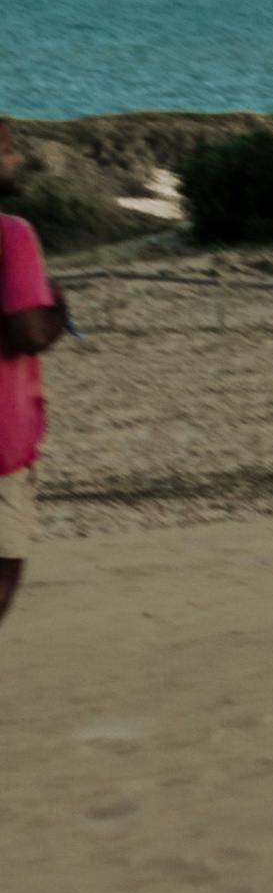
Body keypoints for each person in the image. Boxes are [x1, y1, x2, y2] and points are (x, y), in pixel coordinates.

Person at [0, 121, 71, 632]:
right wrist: (59, 311)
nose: (17, 159)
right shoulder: (12, 233)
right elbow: (27, 332)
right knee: (3, 570)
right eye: (6, 149)